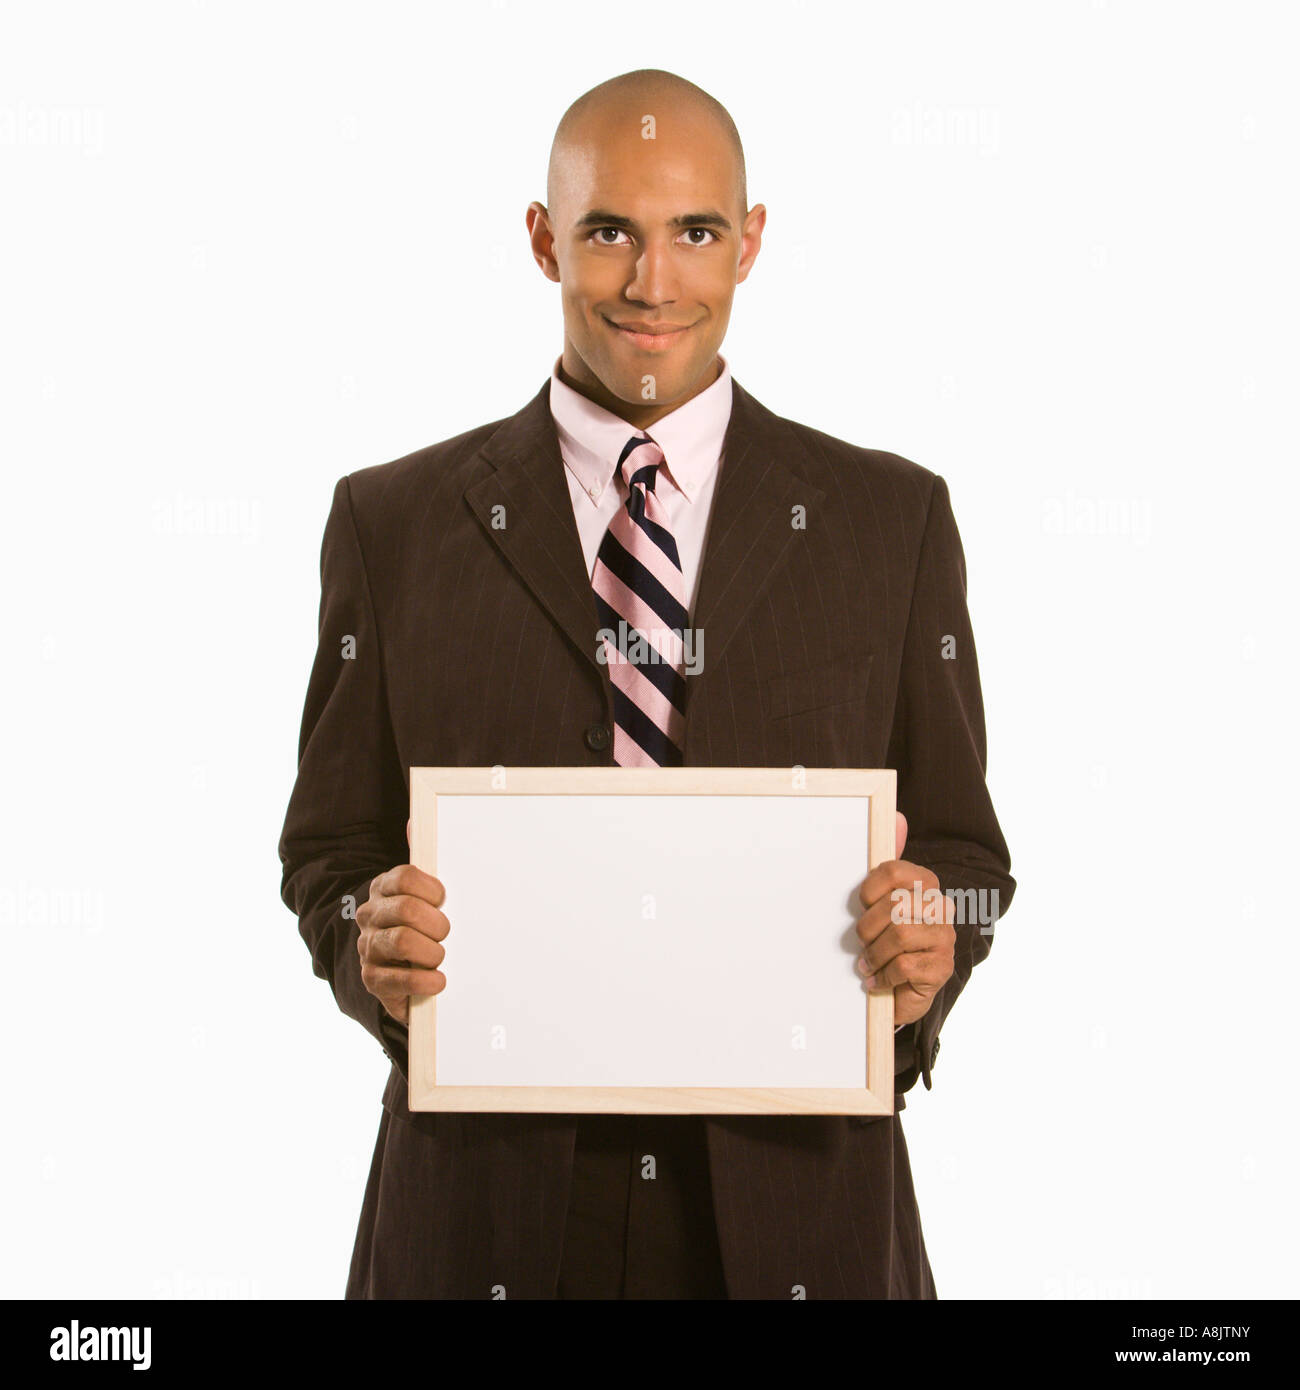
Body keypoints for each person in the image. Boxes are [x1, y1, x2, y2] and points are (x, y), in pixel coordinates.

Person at [278, 67, 1015, 1300]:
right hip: (483, 1218)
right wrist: (369, 941)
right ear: (541, 239)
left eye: (695, 234)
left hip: (800, 1215)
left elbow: (965, 852)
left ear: (752, 244)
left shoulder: (891, 522)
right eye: (609, 230)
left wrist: (934, 938)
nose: (653, 283)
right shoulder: (389, 524)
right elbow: (330, 850)